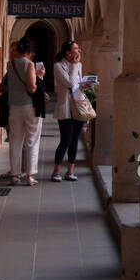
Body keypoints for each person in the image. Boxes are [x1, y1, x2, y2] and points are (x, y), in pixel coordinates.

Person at [0, 37, 42, 185]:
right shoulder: (29, 64)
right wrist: (39, 78)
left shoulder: (10, 64)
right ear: (30, 52)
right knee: (32, 140)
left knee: (15, 141)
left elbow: (10, 85)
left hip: (14, 106)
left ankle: (15, 175)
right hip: (29, 107)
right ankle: (30, 176)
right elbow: (31, 87)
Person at [51, 40, 86, 181]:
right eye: (76, 49)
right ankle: (56, 171)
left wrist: (87, 84)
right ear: (68, 53)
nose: (79, 51)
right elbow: (70, 83)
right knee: (65, 140)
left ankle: (70, 171)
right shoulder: (58, 66)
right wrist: (74, 65)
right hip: (65, 108)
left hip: (77, 107)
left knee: (75, 141)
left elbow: (77, 85)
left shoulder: (79, 65)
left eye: (78, 49)